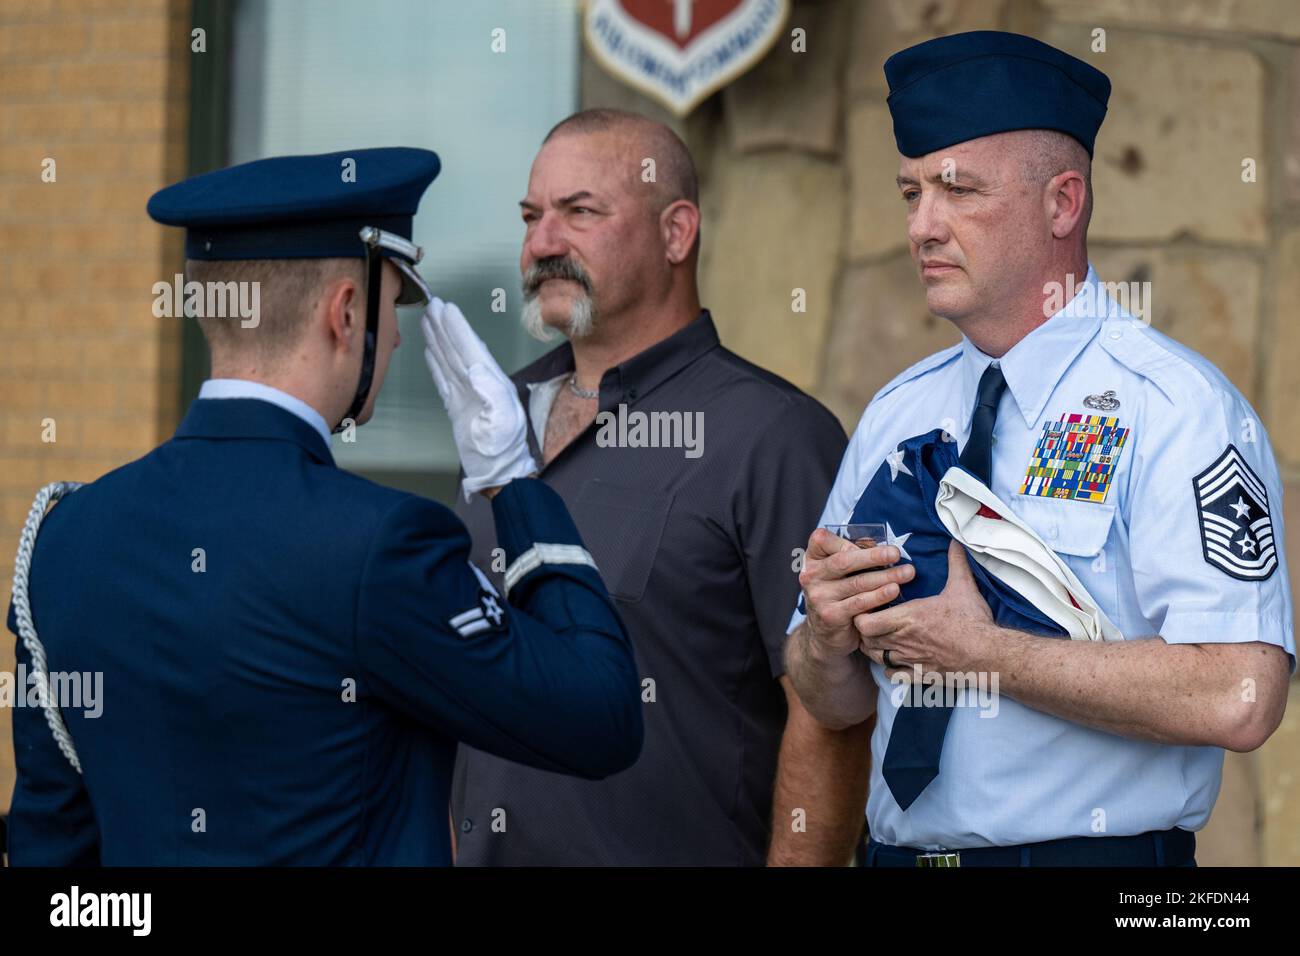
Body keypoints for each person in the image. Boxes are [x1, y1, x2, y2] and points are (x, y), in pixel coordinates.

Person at [6, 147, 642, 866]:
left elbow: (51, 857)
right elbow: (600, 714)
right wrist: (515, 483)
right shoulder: (380, 544)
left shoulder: (66, 538)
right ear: (345, 313)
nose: (398, 335)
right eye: (392, 303)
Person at [785, 31, 1294, 867]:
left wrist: (982, 655)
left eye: (958, 191)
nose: (921, 226)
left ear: (1063, 204)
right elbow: (831, 702)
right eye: (911, 193)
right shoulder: (895, 412)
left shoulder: (1175, 407)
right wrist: (825, 640)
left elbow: (1241, 695)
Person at [445, 109, 862, 866]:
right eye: (532, 217)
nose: (542, 245)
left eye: (580, 213)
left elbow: (830, 714)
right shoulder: (494, 419)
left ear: (677, 233)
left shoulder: (774, 436)